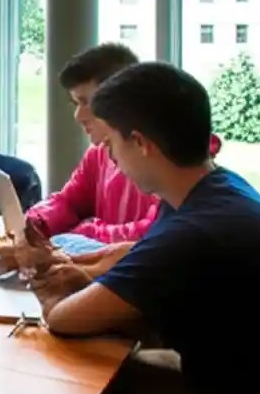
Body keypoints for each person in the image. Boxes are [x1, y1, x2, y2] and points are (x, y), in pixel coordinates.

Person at [29, 62, 260, 394]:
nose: (109, 158)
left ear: (141, 143)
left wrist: (45, 279)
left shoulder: (190, 233)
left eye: (110, 145)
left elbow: (63, 318)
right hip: (227, 375)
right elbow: (141, 253)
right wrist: (82, 269)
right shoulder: (215, 191)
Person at [23, 43, 221, 245]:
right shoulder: (97, 155)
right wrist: (36, 223)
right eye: (75, 103)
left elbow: (158, 231)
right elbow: (70, 202)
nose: (78, 116)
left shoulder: (166, 157)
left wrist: (79, 235)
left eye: (87, 102)